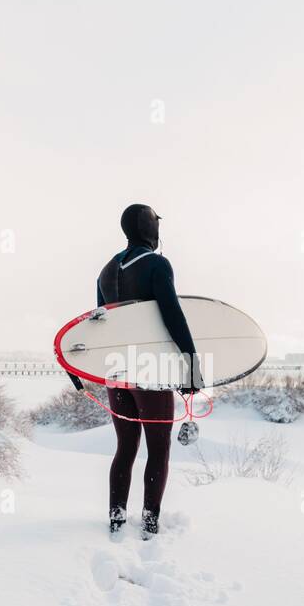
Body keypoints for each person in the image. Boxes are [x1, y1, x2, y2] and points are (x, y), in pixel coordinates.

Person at [81, 204, 199, 538]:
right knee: (159, 448)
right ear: (150, 228)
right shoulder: (157, 265)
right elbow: (172, 315)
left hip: (116, 371)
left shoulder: (105, 271)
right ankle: (149, 523)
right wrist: (191, 362)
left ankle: (117, 519)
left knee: (126, 446)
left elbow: (101, 326)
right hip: (149, 369)